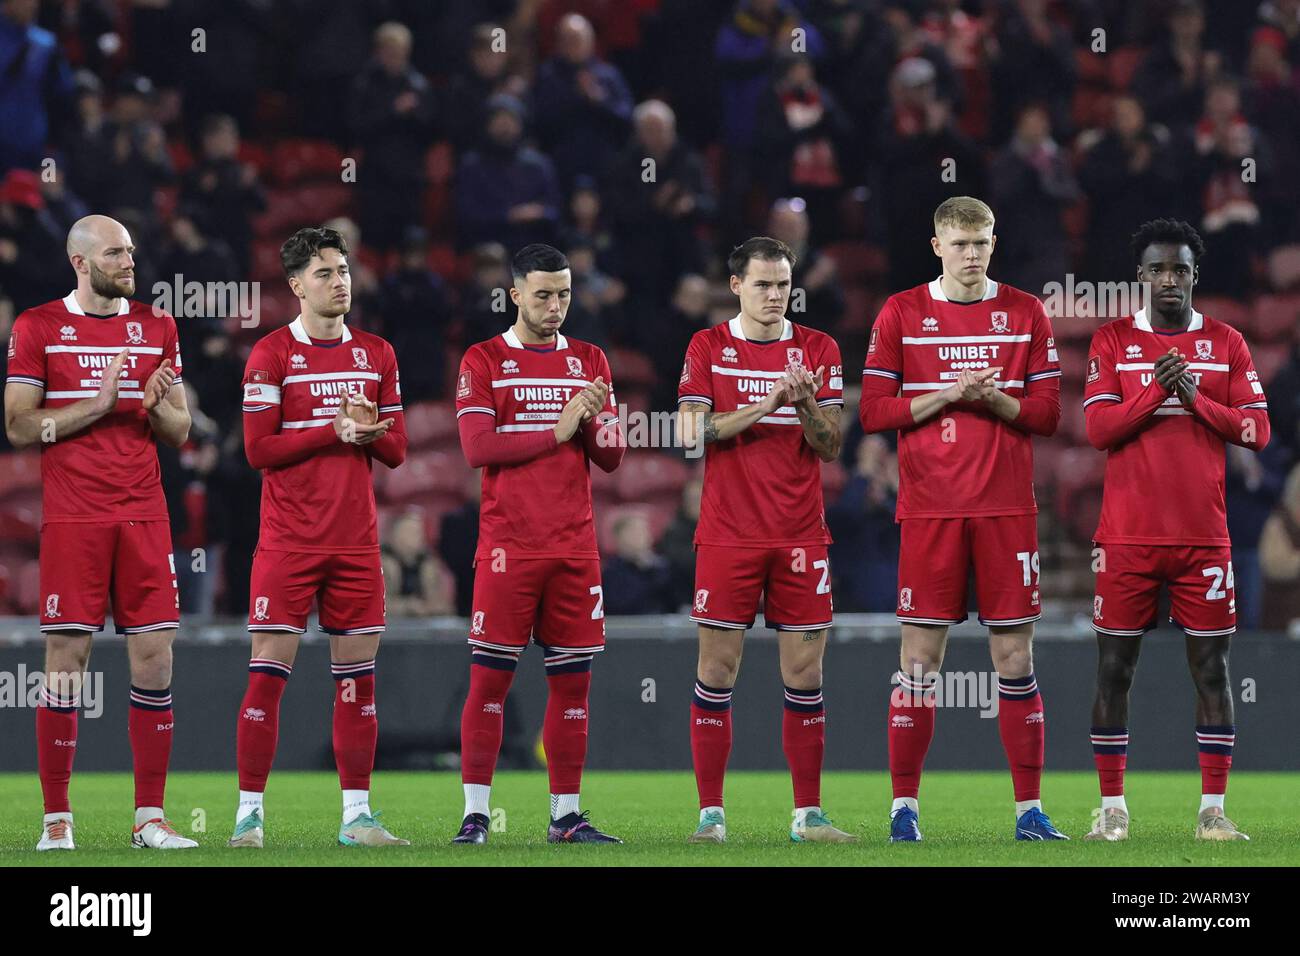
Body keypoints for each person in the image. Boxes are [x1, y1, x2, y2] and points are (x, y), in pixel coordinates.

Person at [859, 196, 1066, 842]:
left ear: (993, 244)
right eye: (960, 243)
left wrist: (994, 397)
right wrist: (949, 393)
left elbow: (1049, 414)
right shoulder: (902, 312)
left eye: (982, 243)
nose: (972, 255)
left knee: (1014, 656)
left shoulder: (1027, 312)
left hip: (1007, 509)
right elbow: (872, 412)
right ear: (937, 245)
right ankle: (903, 810)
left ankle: (1029, 811)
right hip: (931, 509)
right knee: (920, 660)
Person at [3, 214, 193, 850]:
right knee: (66, 663)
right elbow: (21, 428)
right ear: (81, 263)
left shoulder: (159, 325)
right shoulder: (37, 327)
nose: (129, 263)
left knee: (155, 656)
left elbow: (180, 431)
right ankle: (57, 822)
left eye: (132, 252)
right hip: (74, 515)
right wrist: (101, 403)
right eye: (116, 254)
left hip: (144, 510)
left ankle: (150, 820)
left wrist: (154, 401)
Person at [1082, 218, 1271, 842]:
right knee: (1114, 669)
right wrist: (1152, 396)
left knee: (1212, 671)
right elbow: (1099, 432)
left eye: (1180, 270)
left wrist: (1194, 399)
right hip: (1128, 538)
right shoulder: (1111, 340)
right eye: (1158, 269)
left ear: (1195, 275)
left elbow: (1256, 432)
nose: (1169, 280)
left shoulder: (1228, 342)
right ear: (1141, 276)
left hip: (1202, 539)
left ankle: (1212, 811)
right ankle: (1113, 809)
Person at [231, 226, 408, 849]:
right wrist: (330, 432)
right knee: (266, 677)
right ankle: (248, 816)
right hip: (288, 542)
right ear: (296, 285)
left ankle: (357, 816)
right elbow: (258, 450)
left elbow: (398, 451)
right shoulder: (272, 354)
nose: (340, 282)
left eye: (344, 271)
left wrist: (367, 432)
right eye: (326, 273)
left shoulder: (377, 353)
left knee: (358, 681)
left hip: (356, 544)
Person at [677, 236, 853, 845]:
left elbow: (831, 446)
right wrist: (767, 401)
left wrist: (804, 405)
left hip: (801, 534)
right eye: (763, 284)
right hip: (729, 534)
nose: (775, 295)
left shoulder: (819, 348)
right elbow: (692, 432)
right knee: (717, 669)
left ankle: (807, 815)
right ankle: (711, 816)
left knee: (805, 674)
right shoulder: (708, 346)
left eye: (783, 284)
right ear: (736, 286)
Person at [451, 243, 626, 845]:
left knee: (573, 683)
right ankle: (475, 815)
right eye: (544, 294)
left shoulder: (590, 360)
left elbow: (611, 458)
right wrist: (556, 431)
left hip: (574, 547)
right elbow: (478, 449)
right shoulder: (484, 359)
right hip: (509, 547)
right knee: (490, 681)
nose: (556, 307)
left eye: (565, 294)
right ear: (515, 295)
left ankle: (565, 816)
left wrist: (595, 421)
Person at [381, 510, 453, 617]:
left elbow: (445, 606)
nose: (415, 537)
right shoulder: (381, 565)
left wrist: (432, 607)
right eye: (408, 532)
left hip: (425, 626)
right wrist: (407, 607)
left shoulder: (430, 565)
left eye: (418, 532)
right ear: (394, 535)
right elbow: (376, 605)